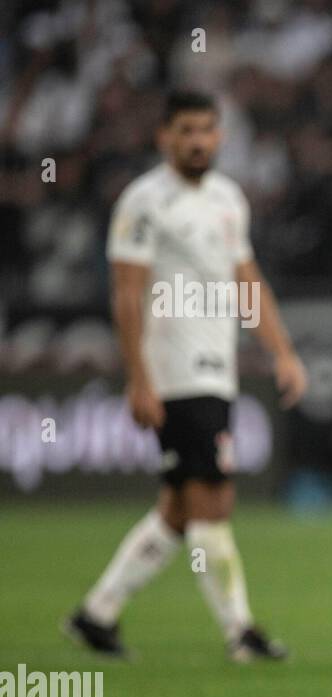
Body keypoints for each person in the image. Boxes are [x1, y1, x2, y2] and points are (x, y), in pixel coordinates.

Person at [65, 90, 308, 662]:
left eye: (206, 130)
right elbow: (127, 296)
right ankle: (240, 631)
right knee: (213, 499)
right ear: (163, 137)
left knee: (178, 508)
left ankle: (96, 614)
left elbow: (247, 282)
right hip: (176, 371)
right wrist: (139, 378)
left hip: (216, 367)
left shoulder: (228, 198)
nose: (198, 141)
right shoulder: (143, 202)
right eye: (186, 131)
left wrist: (283, 352)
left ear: (220, 135)